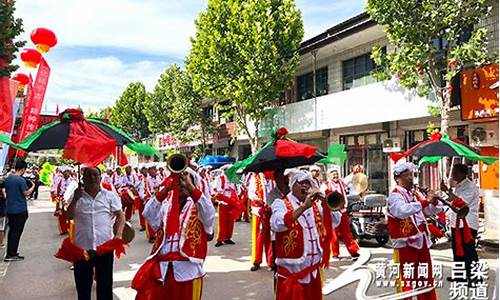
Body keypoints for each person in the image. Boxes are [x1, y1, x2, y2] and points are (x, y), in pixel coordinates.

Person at [132, 168, 216, 300]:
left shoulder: (198, 205)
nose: (181, 184)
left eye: (184, 180)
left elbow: (209, 215)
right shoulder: (166, 204)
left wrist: (190, 187)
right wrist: (165, 190)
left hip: (188, 271)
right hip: (163, 268)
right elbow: (148, 213)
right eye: (178, 180)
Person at [271, 170, 341, 300]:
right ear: (292, 186)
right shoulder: (280, 204)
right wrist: (303, 207)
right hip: (292, 274)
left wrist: (327, 203)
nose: (305, 187)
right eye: (301, 183)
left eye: (308, 183)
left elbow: (335, 222)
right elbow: (277, 223)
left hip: (314, 272)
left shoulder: (316, 206)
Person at [66, 166, 125, 300]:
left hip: (104, 247)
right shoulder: (76, 196)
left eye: (95, 175)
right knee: (83, 287)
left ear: (100, 177)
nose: (92, 178)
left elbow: (120, 215)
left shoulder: (109, 195)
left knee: (105, 286)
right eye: (89, 175)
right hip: (81, 249)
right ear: (83, 178)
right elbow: (68, 216)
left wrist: (119, 234)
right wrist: (75, 199)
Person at [386, 162, 442, 300]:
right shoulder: (395, 196)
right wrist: (424, 202)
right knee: (407, 279)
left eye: (411, 175)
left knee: (425, 278)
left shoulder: (416, 194)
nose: (411, 178)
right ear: (397, 178)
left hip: (421, 241)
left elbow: (429, 212)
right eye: (407, 175)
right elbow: (402, 211)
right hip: (405, 245)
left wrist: (433, 201)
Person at [441, 164, 480, 285]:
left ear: (463, 173)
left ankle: (474, 277)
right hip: (456, 223)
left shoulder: (470, 187)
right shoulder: (458, 185)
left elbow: (461, 203)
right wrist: (446, 192)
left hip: (467, 223)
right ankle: (460, 276)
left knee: (469, 251)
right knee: (457, 250)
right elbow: (453, 201)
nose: (453, 175)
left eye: (455, 172)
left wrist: (447, 192)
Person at [320, 167, 360, 259]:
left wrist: (355, 172)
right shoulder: (325, 185)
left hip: (342, 211)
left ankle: (353, 251)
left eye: (336, 174)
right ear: (329, 176)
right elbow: (321, 195)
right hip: (332, 212)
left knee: (347, 232)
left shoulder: (342, 182)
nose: (335, 176)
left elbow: (350, 178)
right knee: (334, 234)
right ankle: (335, 253)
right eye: (333, 174)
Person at [3, 160, 35, 261]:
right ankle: (11, 254)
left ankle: (11, 252)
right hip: (20, 209)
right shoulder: (20, 180)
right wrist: (33, 186)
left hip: (9, 209)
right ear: (23, 169)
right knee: (16, 232)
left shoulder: (8, 179)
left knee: (12, 231)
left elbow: (4, 190)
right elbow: (26, 193)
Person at [247, 172, 272, 270]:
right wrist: (256, 198)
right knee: (258, 236)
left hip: (270, 210)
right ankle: (256, 261)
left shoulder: (272, 177)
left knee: (270, 237)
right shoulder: (255, 178)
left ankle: (271, 262)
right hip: (258, 211)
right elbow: (251, 193)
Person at [213, 165, 238, 247]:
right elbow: (216, 189)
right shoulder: (220, 178)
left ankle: (228, 238)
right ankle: (220, 239)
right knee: (222, 221)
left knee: (231, 221)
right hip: (223, 202)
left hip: (232, 202)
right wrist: (223, 192)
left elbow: (238, 188)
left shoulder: (233, 178)